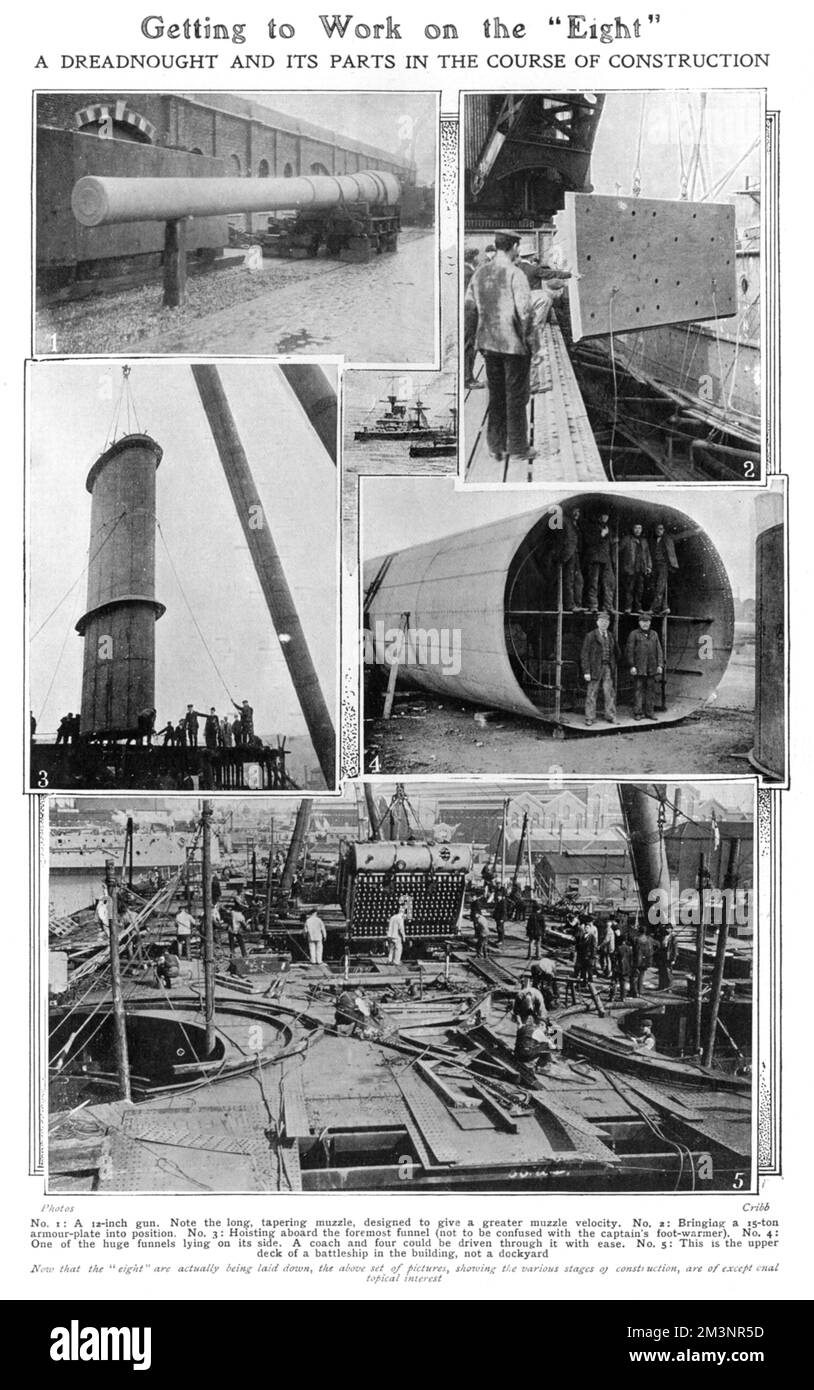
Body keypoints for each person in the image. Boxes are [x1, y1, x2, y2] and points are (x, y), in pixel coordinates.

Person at [464, 229, 537, 462]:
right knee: (516, 396)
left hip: (488, 344)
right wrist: (531, 343)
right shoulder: (516, 274)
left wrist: (477, 338)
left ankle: (495, 446)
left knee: (495, 396)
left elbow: (470, 307)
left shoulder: (479, 274)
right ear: (515, 247)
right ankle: (518, 448)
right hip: (513, 346)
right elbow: (525, 313)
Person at [580, 611, 620, 727]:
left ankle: (610, 716)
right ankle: (589, 717)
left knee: (609, 692)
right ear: (597, 622)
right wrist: (586, 671)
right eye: (602, 622)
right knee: (592, 692)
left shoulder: (611, 636)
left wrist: (614, 663)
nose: (604, 624)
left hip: (607, 667)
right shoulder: (591, 636)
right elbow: (584, 654)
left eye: (606, 622)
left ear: (609, 623)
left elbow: (616, 652)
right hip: (594, 668)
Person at [625, 613, 664, 721]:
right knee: (638, 690)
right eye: (643, 622)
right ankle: (638, 713)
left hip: (651, 668)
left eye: (647, 622)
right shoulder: (634, 634)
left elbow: (659, 650)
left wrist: (660, 665)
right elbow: (629, 651)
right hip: (639, 668)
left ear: (650, 623)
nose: (645, 624)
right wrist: (632, 665)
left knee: (651, 691)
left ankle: (650, 712)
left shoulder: (654, 634)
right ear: (639, 623)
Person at [584, 512, 615, 612]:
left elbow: (610, 542)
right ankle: (593, 605)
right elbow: (588, 541)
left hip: (606, 558)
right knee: (594, 582)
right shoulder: (592, 527)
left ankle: (608, 606)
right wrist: (601, 535)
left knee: (609, 582)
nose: (605, 517)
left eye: (607, 515)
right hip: (595, 557)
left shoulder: (608, 528)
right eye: (603, 515)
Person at [556, 505, 584, 612]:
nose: (577, 514)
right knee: (569, 580)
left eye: (579, 512)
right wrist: (560, 553)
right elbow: (557, 536)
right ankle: (570, 605)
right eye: (575, 511)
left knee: (579, 580)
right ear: (570, 511)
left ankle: (577, 604)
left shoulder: (575, 524)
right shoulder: (563, 520)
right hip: (568, 554)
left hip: (575, 553)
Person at [619, 523, 652, 613]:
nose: (637, 530)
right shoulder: (627, 539)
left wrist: (649, 566)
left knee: (640, 590)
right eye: (636, 528)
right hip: (630, 568)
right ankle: (628, 607)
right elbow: (619, 551)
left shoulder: (644, 541)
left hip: (641, 569)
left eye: (639, 528)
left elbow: (648, 554)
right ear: (632, 529)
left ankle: (638, 608)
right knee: (629, 589)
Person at [463, 247, 483, 388]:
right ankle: (468, 379)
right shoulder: (469, 273)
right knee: (469, 345)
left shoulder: (467, 271)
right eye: (476, 257)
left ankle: (468, 377)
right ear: (472, 258)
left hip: (468, 310)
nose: (477, 259)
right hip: (471, 311)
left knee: (469, 344)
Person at [651, 523, 679, 614]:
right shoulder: (654, 540)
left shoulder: (667, 539)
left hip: (663, 565)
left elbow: (670, 553)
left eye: (661, 529)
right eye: (657, 529)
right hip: (655, 565)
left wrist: (670, 565)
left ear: (664, 530)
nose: (659, 530)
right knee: (654, 586)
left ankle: (655, 609)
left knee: (660, 586)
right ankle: (664, 607)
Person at [609, 931, 633, 1003]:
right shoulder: (629, 949)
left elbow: (614, 958)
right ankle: (623, 997)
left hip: (618, 967)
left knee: (614, 982)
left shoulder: (618, 948)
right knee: (623, 983)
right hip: (626, 968)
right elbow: (631, 959)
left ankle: (612, 996)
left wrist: (613, 966)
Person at [631, 924, 654, 996]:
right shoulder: (649, 939)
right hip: (646, 960)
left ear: (639, 931)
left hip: (637, 960)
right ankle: (640, 990)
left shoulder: (636, 939)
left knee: (634, 976)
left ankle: (635, 992)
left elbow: (633, 949)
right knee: (641, 975)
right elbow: (657, 944)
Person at [655, 924, 677, 991]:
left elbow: (675, 949)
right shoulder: (662, 937)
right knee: (661, 971)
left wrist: (674, 958)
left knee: (668, 972)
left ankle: (669, 987)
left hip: (669, 957)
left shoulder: (673, 938)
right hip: (662, 956)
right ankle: (661, 986)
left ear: (671, 929)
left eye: (668, 928)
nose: (666, 930)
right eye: (666, 928)